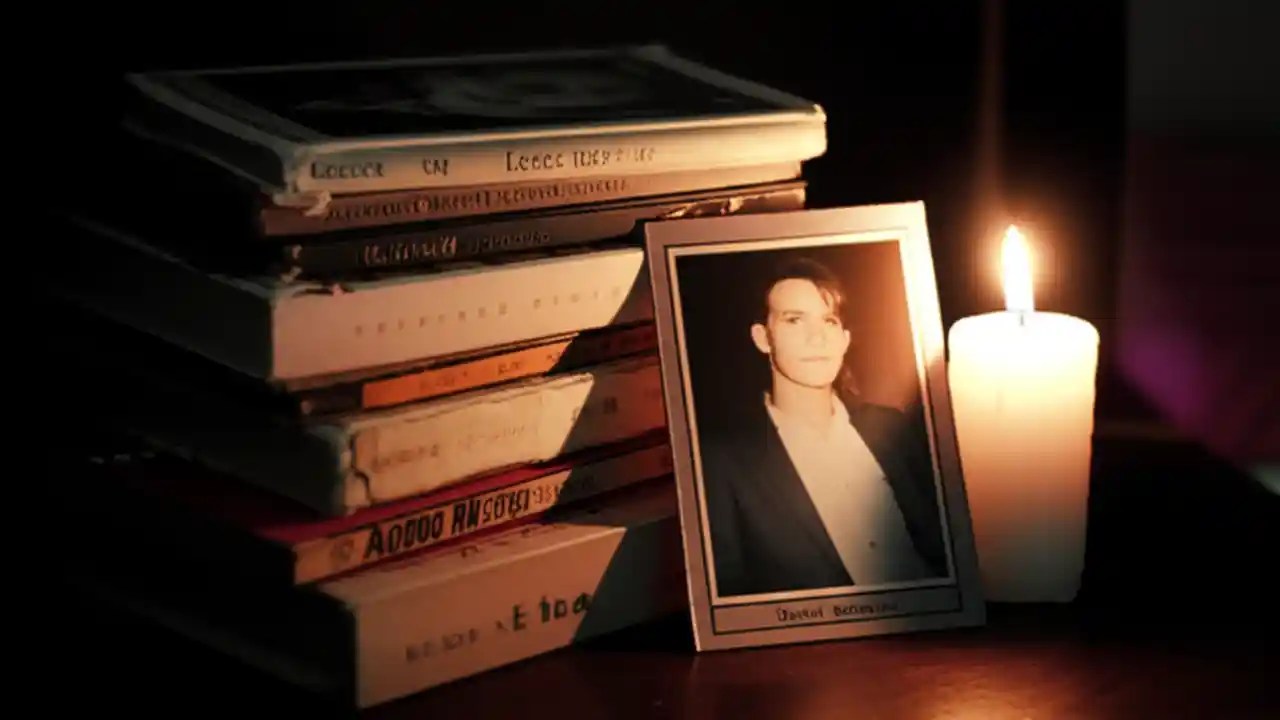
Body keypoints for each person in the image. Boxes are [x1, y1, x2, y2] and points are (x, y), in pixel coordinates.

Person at [697, 256, 949, 597]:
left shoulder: (893, 429)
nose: (817, 338)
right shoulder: (723, 461)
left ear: (844, 339)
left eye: (828, 321)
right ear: (762, 338)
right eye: (794, 320)